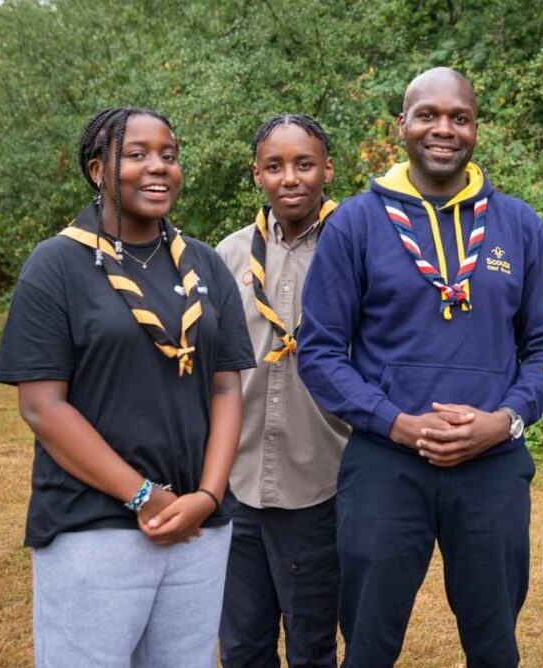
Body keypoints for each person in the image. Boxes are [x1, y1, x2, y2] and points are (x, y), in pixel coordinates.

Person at [296, 67, 543, 668]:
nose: (443, 129)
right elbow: (317, 351)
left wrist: (505, 420)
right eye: (427, 115)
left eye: (459, 117)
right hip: (385, 463)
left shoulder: (520, 224)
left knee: (495, 644)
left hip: (492, 466)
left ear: (476, 128)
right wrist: (394, 422)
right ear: (403, 125)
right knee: (368, 643)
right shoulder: (355, 223)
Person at [0, 107, 255, 667]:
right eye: (136, 154)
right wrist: (143, 494)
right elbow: (42, 406)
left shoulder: (205, 264)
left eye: (169, 154)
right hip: (94, 526)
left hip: (198, 528)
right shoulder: (56, 265)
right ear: (97, 169)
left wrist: (206, 498)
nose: (158, 166)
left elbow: (226, 390)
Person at [216, 114, 348, 667]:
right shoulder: (229, 255)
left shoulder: (355, 247)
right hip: (236, 479)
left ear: (328, 170)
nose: (290, 177)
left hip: (322, 478)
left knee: (311, 643)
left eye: (304, 163)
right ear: (257, 175)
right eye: (275, 166)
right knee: (242, 645)